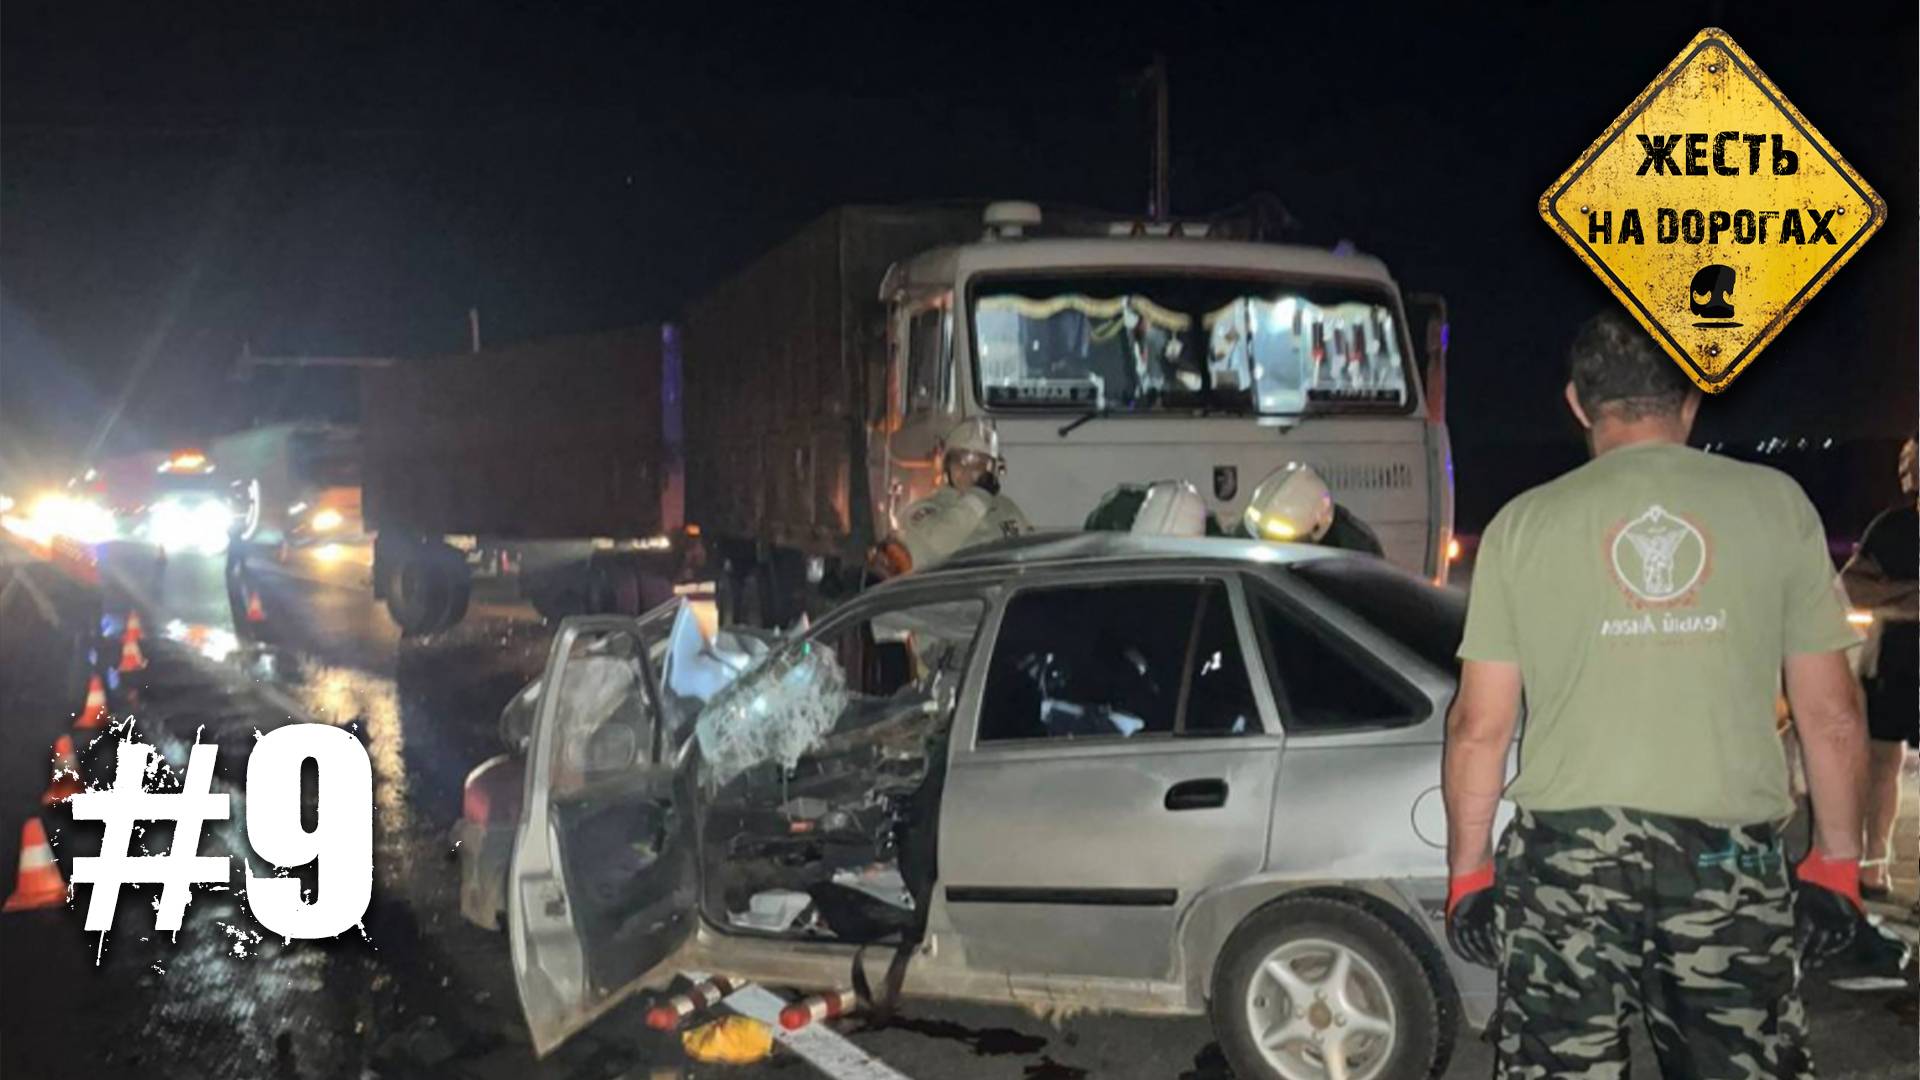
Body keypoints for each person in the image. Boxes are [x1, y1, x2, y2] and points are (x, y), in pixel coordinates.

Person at [1442, 313, 1867, 1078]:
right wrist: (1836, 862)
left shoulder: (1522, 526)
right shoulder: (1776, 506)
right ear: (1691, 400)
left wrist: (1469, 874)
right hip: (1725, 864)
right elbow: (1831, 715)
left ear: (1578, 403)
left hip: (1567, 867)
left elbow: (1479, 727)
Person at [1842, 436, 1918, 900]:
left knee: (1883, 765)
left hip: (1896, 657)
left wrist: (1899, 597)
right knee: (1882, 763)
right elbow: (1850, 587)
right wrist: (1912, 599)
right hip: (1895, 661)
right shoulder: (1892, 527)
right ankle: (1874, 867)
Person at [869, 418, 1030, 577]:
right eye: (961, 462)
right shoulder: (923, 510)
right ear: (947, 465)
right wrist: (978, 498)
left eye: (979, 464)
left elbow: (1029, 552)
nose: (968, 471)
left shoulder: (1007, 508)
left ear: (992, 470)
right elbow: (939, 542)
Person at [1239, 461, 1385, 556]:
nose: (1270, 543)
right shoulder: (1253, 525)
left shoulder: (1356, 549)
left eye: (1282, 538)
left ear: (1317, 529)